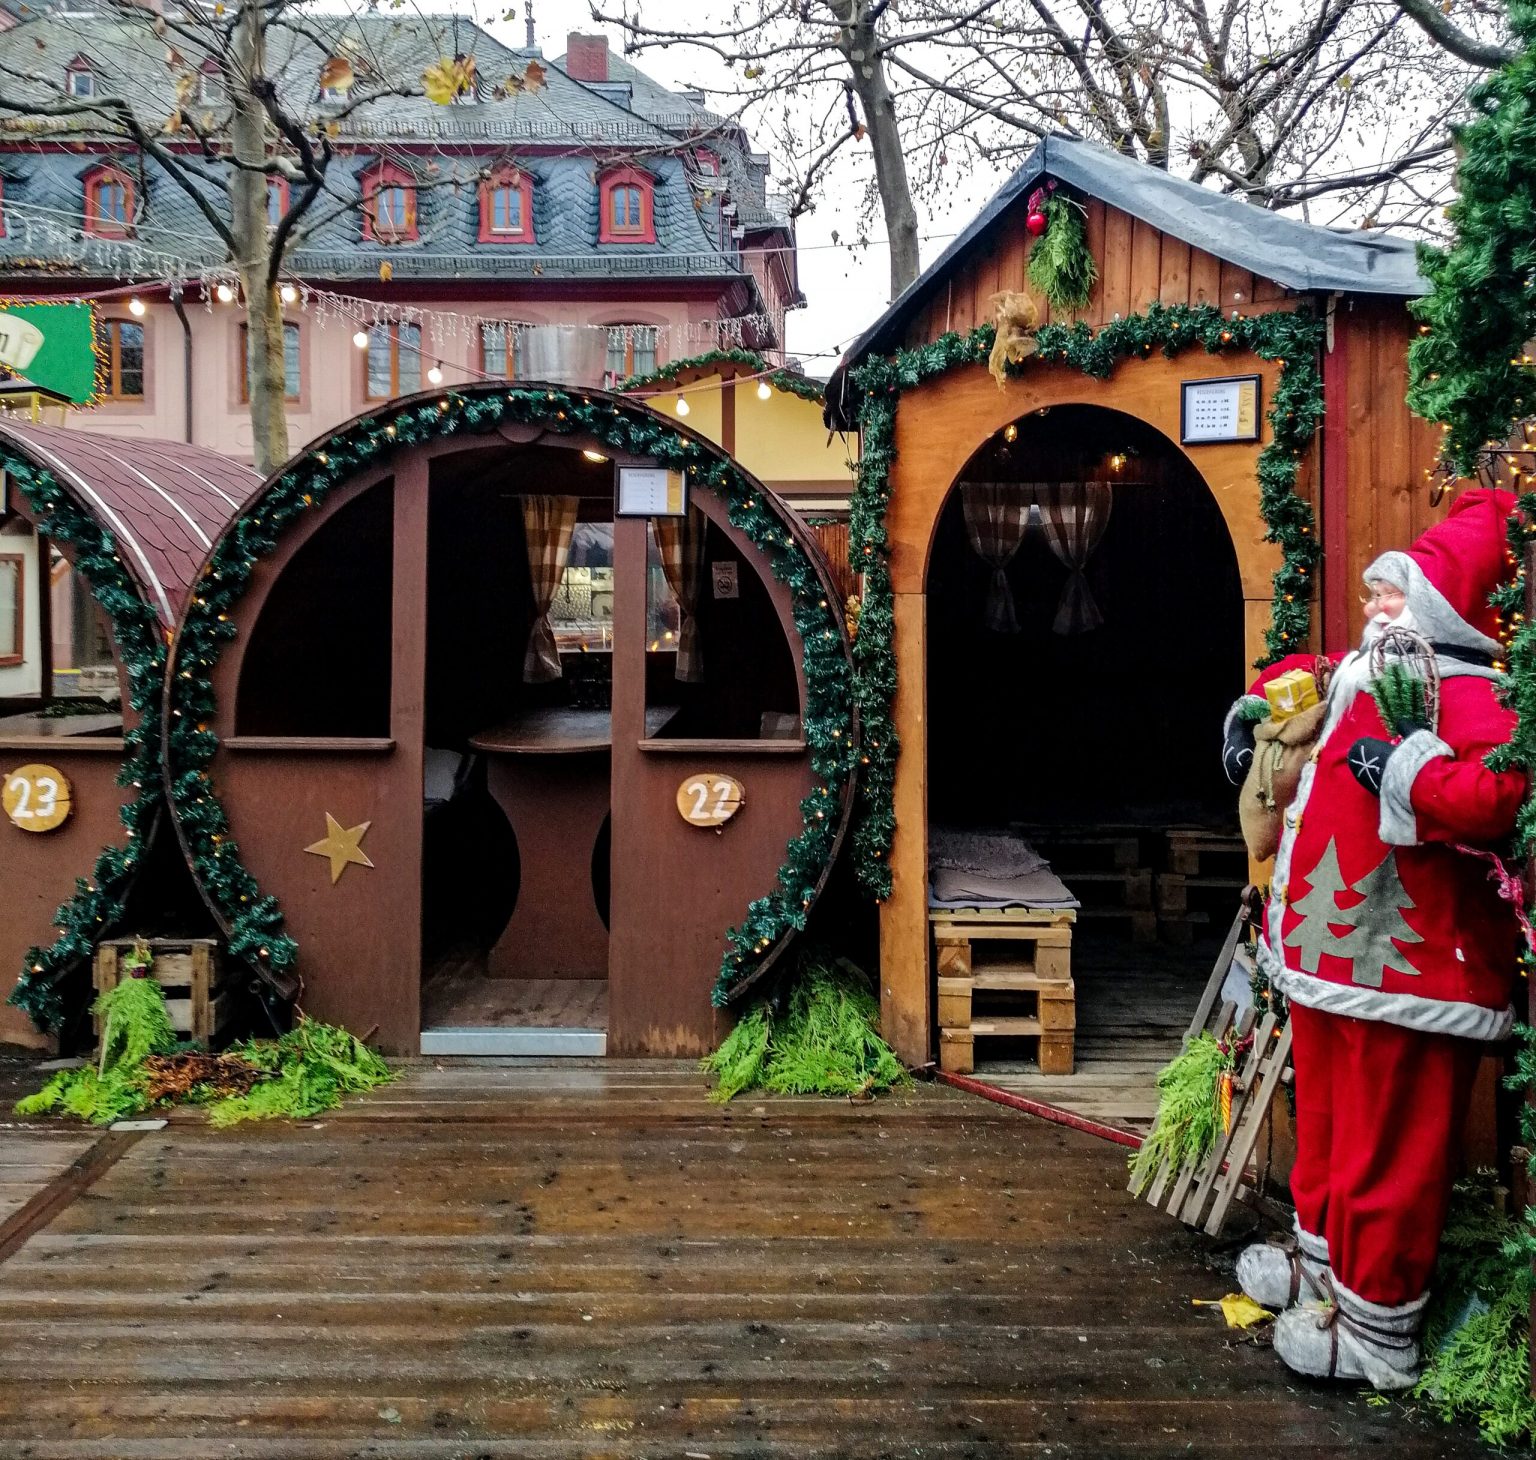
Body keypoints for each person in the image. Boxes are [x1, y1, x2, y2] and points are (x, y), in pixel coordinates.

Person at [1220, 488, 1525, 1387]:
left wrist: (1403, 766)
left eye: (1396, 592)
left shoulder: (1474, 697)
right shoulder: (1372, 670)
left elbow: (1497, 796)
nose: (1375, 605)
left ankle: (1378, 1327)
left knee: (1389, 1143)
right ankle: (1325, 1269)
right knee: (1328, 1124)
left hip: (1411, 966)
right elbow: (1308, 674)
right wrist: (1253, 714)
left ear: (1441, 609)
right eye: (1379, 591)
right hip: (1332, 954)